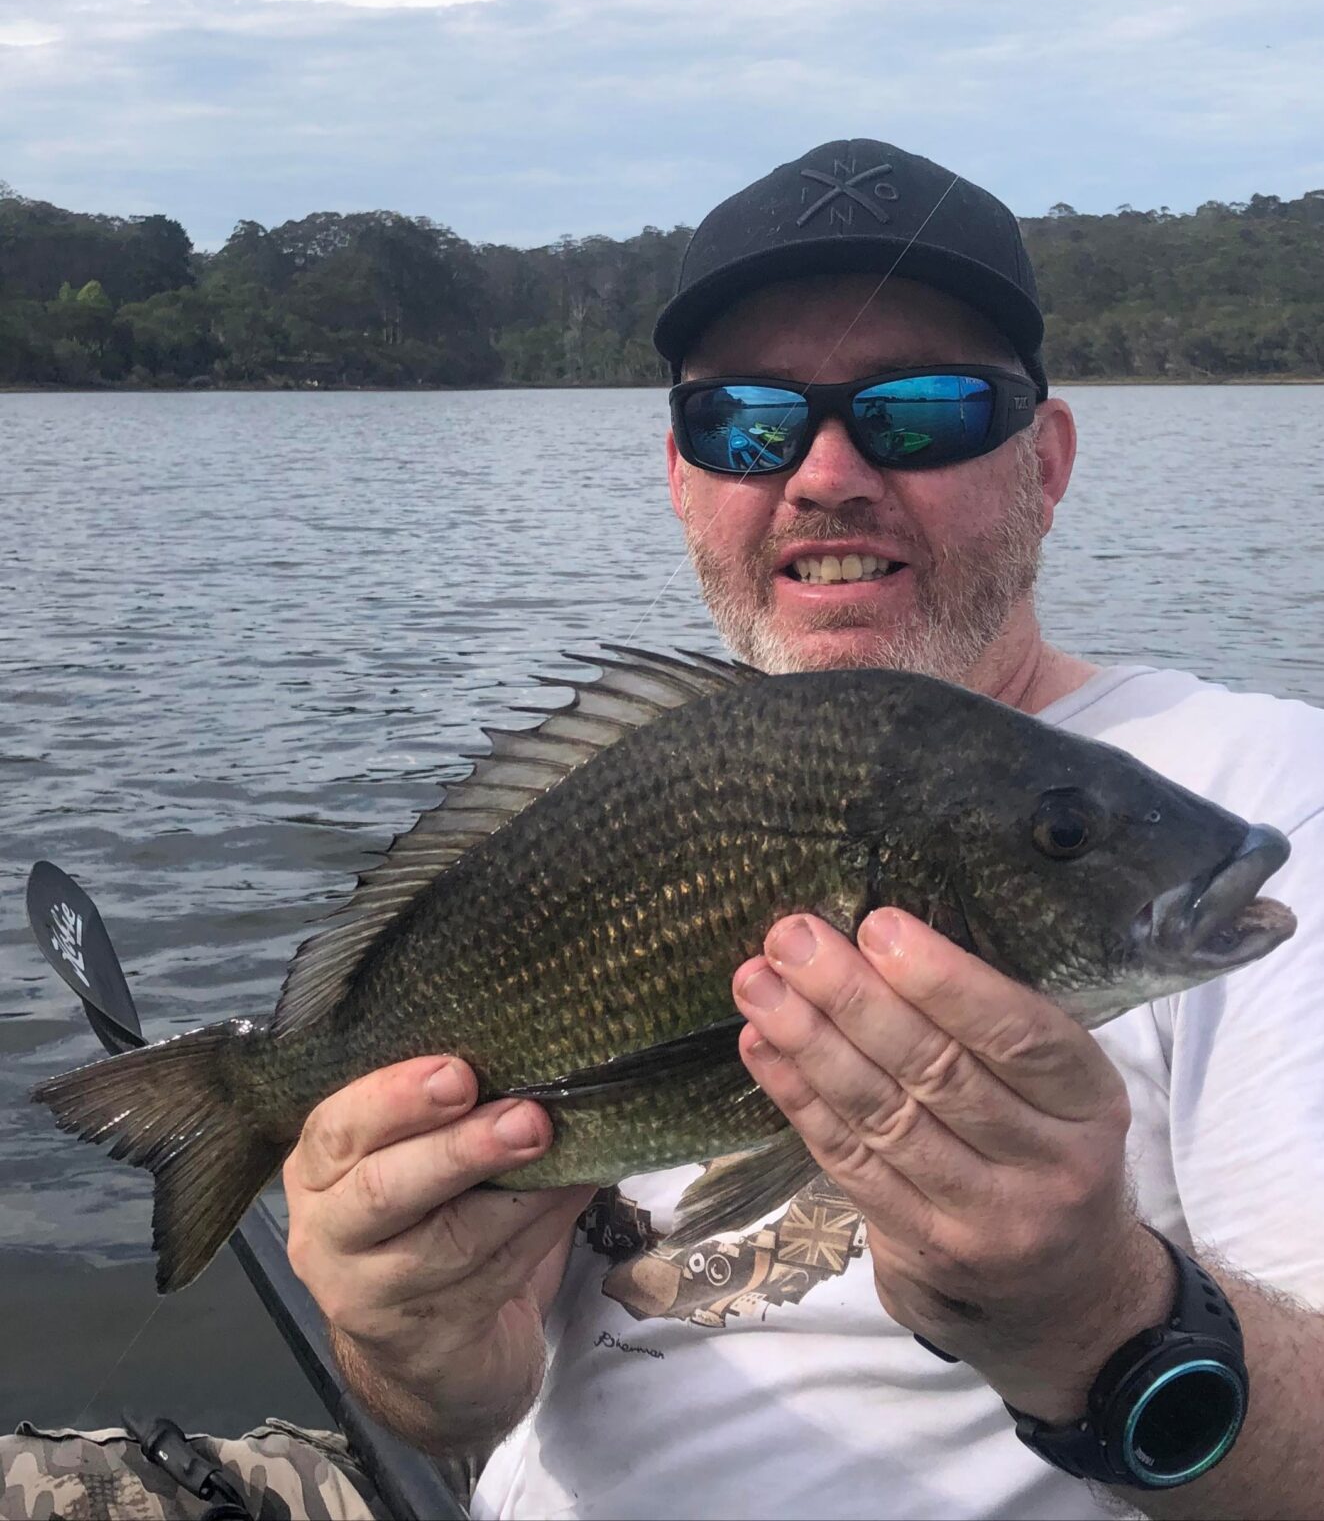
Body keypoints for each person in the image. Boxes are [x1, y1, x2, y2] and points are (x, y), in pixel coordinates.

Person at [4, 138, 1322, 1520]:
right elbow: (455, 1409)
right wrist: (411, 1347)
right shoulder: (624, 809)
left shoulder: (1265, 784)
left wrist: (1103, 1327)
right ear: (684, 481)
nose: (823, 475)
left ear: (1045, 465)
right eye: (746, 423)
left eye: (921, 412)